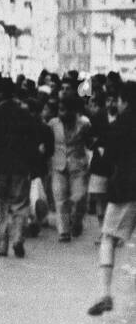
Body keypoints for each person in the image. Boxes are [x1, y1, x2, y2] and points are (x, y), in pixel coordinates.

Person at [88, 81, 136, 317]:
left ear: (122, 101)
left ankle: (105, 293)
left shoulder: (119, 126)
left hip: (125, 189)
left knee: (108, 237)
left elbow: (107, 162)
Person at [0, 78, 38, 259]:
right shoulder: (24, 114)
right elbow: (32, 142)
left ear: (1, 93)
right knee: (20, 204)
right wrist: (32, 165)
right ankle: (18, 237)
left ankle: (2, 244)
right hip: (20, 167)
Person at [48, 95, 91, 243]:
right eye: (60, 110)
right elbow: (48, 143)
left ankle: (77, 220)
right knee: (60, 198)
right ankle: (64, 231)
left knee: (79, 197)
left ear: (74, 111)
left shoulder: (84, 124)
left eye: (65, 110)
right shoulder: (53, 124)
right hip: (58, 165)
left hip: (78, 165)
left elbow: (90, 143)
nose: (62, 113)